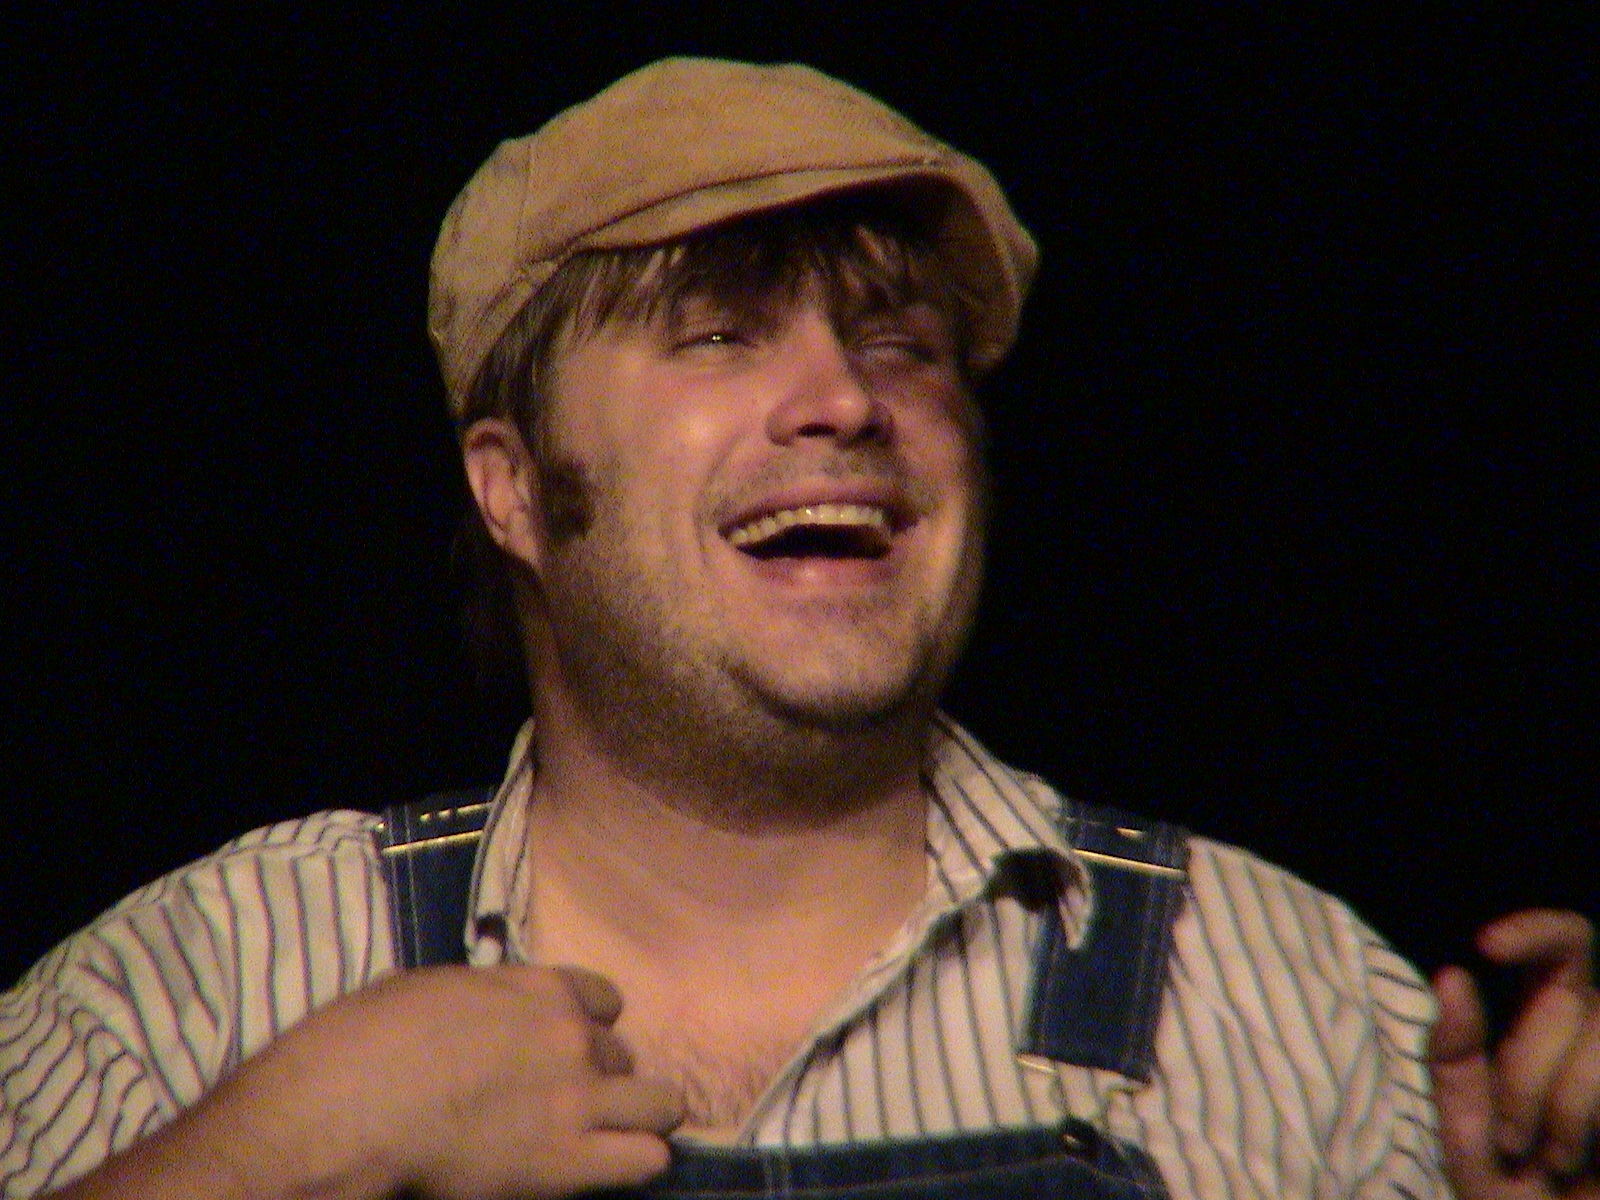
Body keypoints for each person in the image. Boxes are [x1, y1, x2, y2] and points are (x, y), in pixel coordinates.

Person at [1, 57, 1594, 1200]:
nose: (844, 400)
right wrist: (278, 1157)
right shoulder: (197, 999)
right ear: (514, 489)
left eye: (900, 344)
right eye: (718, 335)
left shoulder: (1295, 1003)